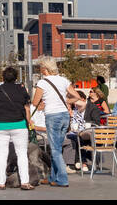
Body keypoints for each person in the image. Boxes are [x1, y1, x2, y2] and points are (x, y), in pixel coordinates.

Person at [31, 60, 81, 188]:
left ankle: (63, 179)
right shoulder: (63, 80)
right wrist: (65, 100)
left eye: (41, 68)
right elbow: (77, 96)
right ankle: (53, 177)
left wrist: (46, 102)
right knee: (57, 148)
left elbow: (35, 102)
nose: (40, 70)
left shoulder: (42, 82)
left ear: (45, 69)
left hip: (53, 116)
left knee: (55, 149)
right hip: (64, 115)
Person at [0, 66, 34, 191]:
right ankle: (25, 182)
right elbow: (27, 106)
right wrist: (29, 120)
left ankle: (1, 183)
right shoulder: (21, 89)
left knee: (2, 154)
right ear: (16, 78)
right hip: (18, 124)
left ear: (3, 77)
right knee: (22, 154)